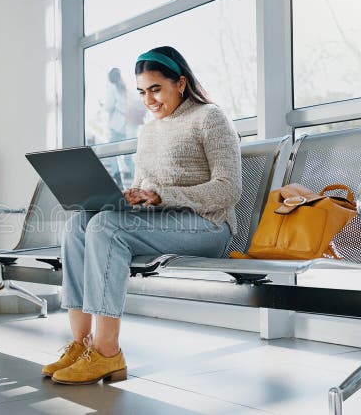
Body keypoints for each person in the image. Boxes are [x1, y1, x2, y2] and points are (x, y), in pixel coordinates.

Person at [43, 46, 242, 384]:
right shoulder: (148, 131)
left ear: (180, 83)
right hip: (162, 224)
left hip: (208, 227)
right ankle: (81, 345)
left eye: (155, 89)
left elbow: (227, 190)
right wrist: (129, 198)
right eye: (141, 92)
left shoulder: (209, 118)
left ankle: (107, 352)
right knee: (80, 223)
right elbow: (142, 187)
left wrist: (162, 196)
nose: (148, 99)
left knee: (107, 228)